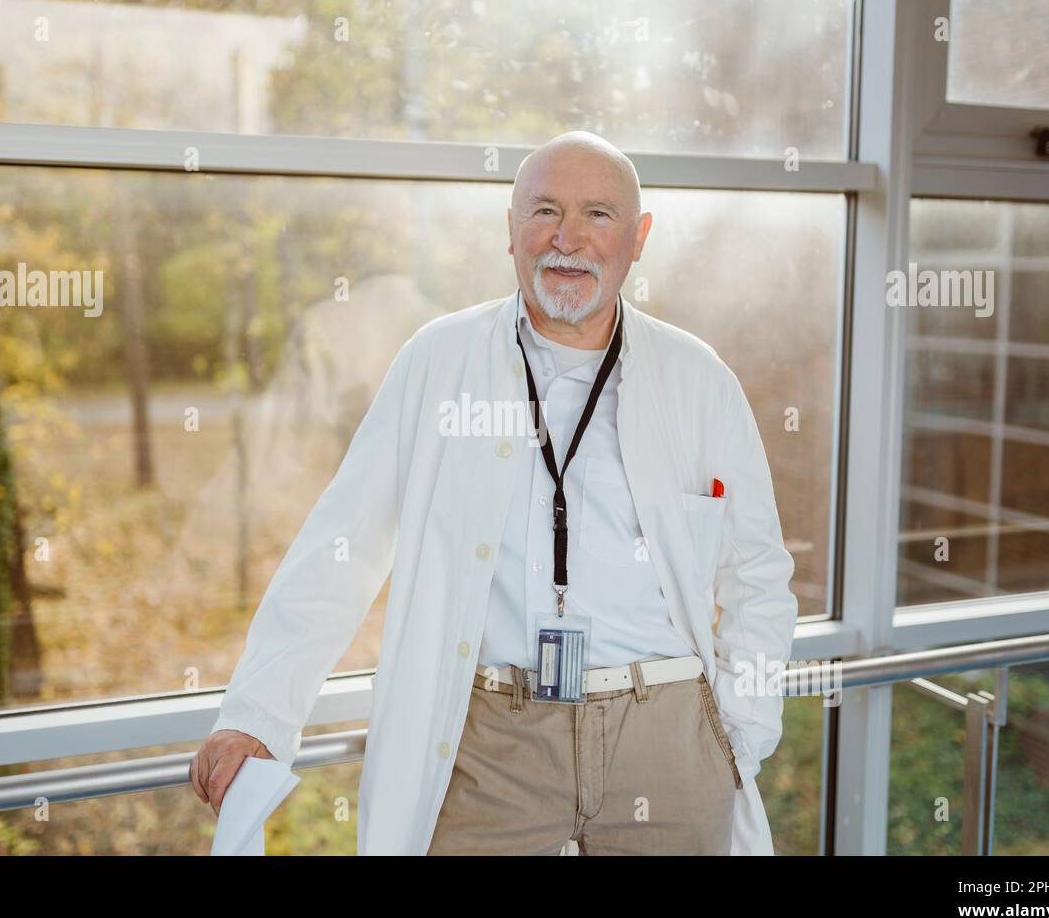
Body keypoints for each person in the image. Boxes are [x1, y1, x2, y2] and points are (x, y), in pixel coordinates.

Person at [190, 130, 798, 855]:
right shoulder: (438, 362)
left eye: (597, 215)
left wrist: (741, 732)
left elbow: (758, 574)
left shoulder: (699, 380)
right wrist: (258, 713)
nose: (567, 238)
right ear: (510, 231)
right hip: (491, 743)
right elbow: (339, 548)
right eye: (544, 211)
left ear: (638, 239)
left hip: (665, 734)